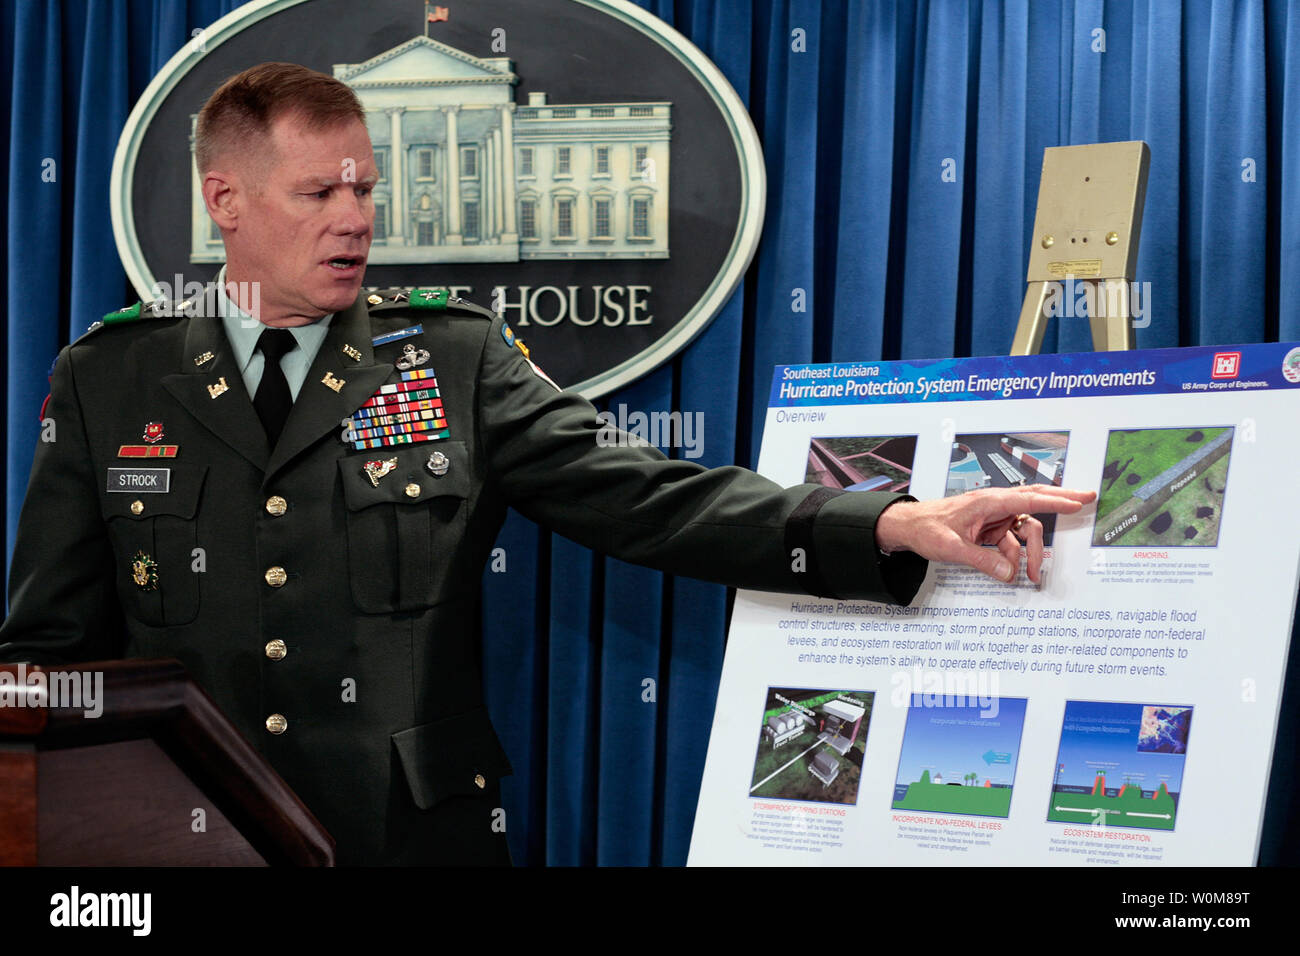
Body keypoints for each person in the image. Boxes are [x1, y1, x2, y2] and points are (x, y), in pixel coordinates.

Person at [0, 63, 1094, 865]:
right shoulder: (114, 378)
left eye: (366, 190)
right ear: (225, 202)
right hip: (182, 838)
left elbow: (650, 498)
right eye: (317, 195)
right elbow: (49, 652)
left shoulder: (452, 357)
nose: (355, 220)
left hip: (404, 837)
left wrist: (889, 523)